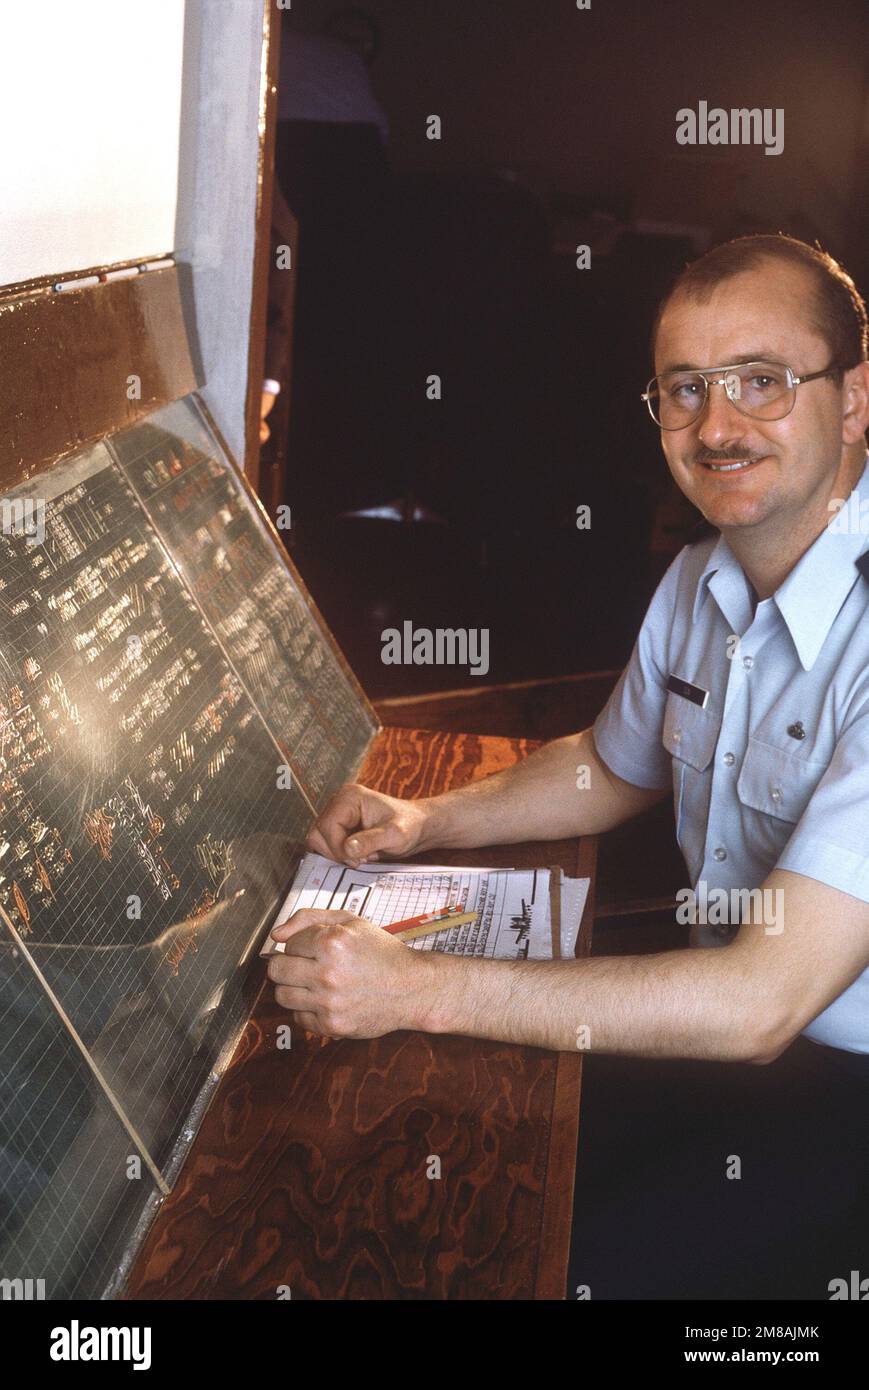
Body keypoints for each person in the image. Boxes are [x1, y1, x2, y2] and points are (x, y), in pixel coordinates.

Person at [266, 233, 869, 1298]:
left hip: (830, 1082)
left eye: (760, 383)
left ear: (853, 398)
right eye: (684, 390)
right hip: (712, 1031)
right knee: (429, 1171)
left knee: (547, 1269)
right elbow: (608, 763)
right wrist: (422, 822)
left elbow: (761, 1003)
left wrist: (418, 989)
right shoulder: (697, 579)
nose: (717, 427)